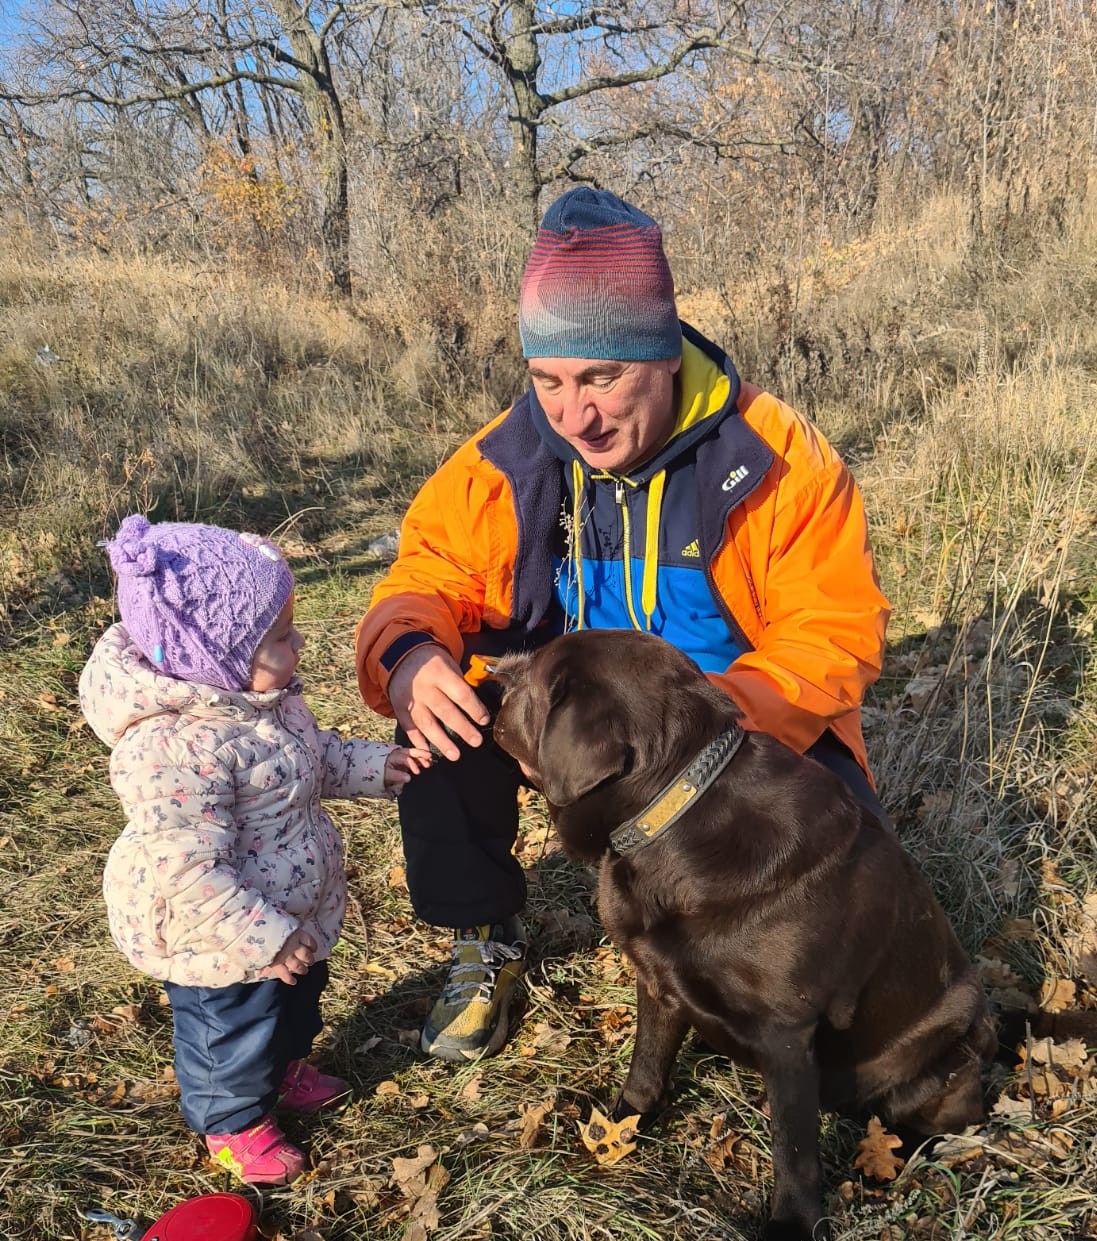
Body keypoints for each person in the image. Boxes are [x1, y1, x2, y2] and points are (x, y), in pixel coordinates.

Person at [356, 187, 890, 1062]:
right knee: (441, 716)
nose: (575, 415)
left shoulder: (777, 455)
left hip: (736, 724)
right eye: (549, 381)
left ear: (664, 355)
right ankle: (482, 935)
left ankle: (777, 976)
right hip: (579, 727)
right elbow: (428, 576)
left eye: (602, 378)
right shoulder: (509, 456)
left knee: (849, 844)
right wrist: (410, 656)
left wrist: (715, 731)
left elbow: (833, 634)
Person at [80, 515, 426, 1184]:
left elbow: (311, 758)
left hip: (290, 907)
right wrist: (261, 935)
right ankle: (233, 1122)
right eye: (280, 637)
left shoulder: (262, 702)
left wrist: (376, 767)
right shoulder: (174, 750)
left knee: (295, 1002)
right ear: (220, 654)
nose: (299, 644)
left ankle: (285, 1067)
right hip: (216, 934)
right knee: (230, 1029)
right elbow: (186, 869)